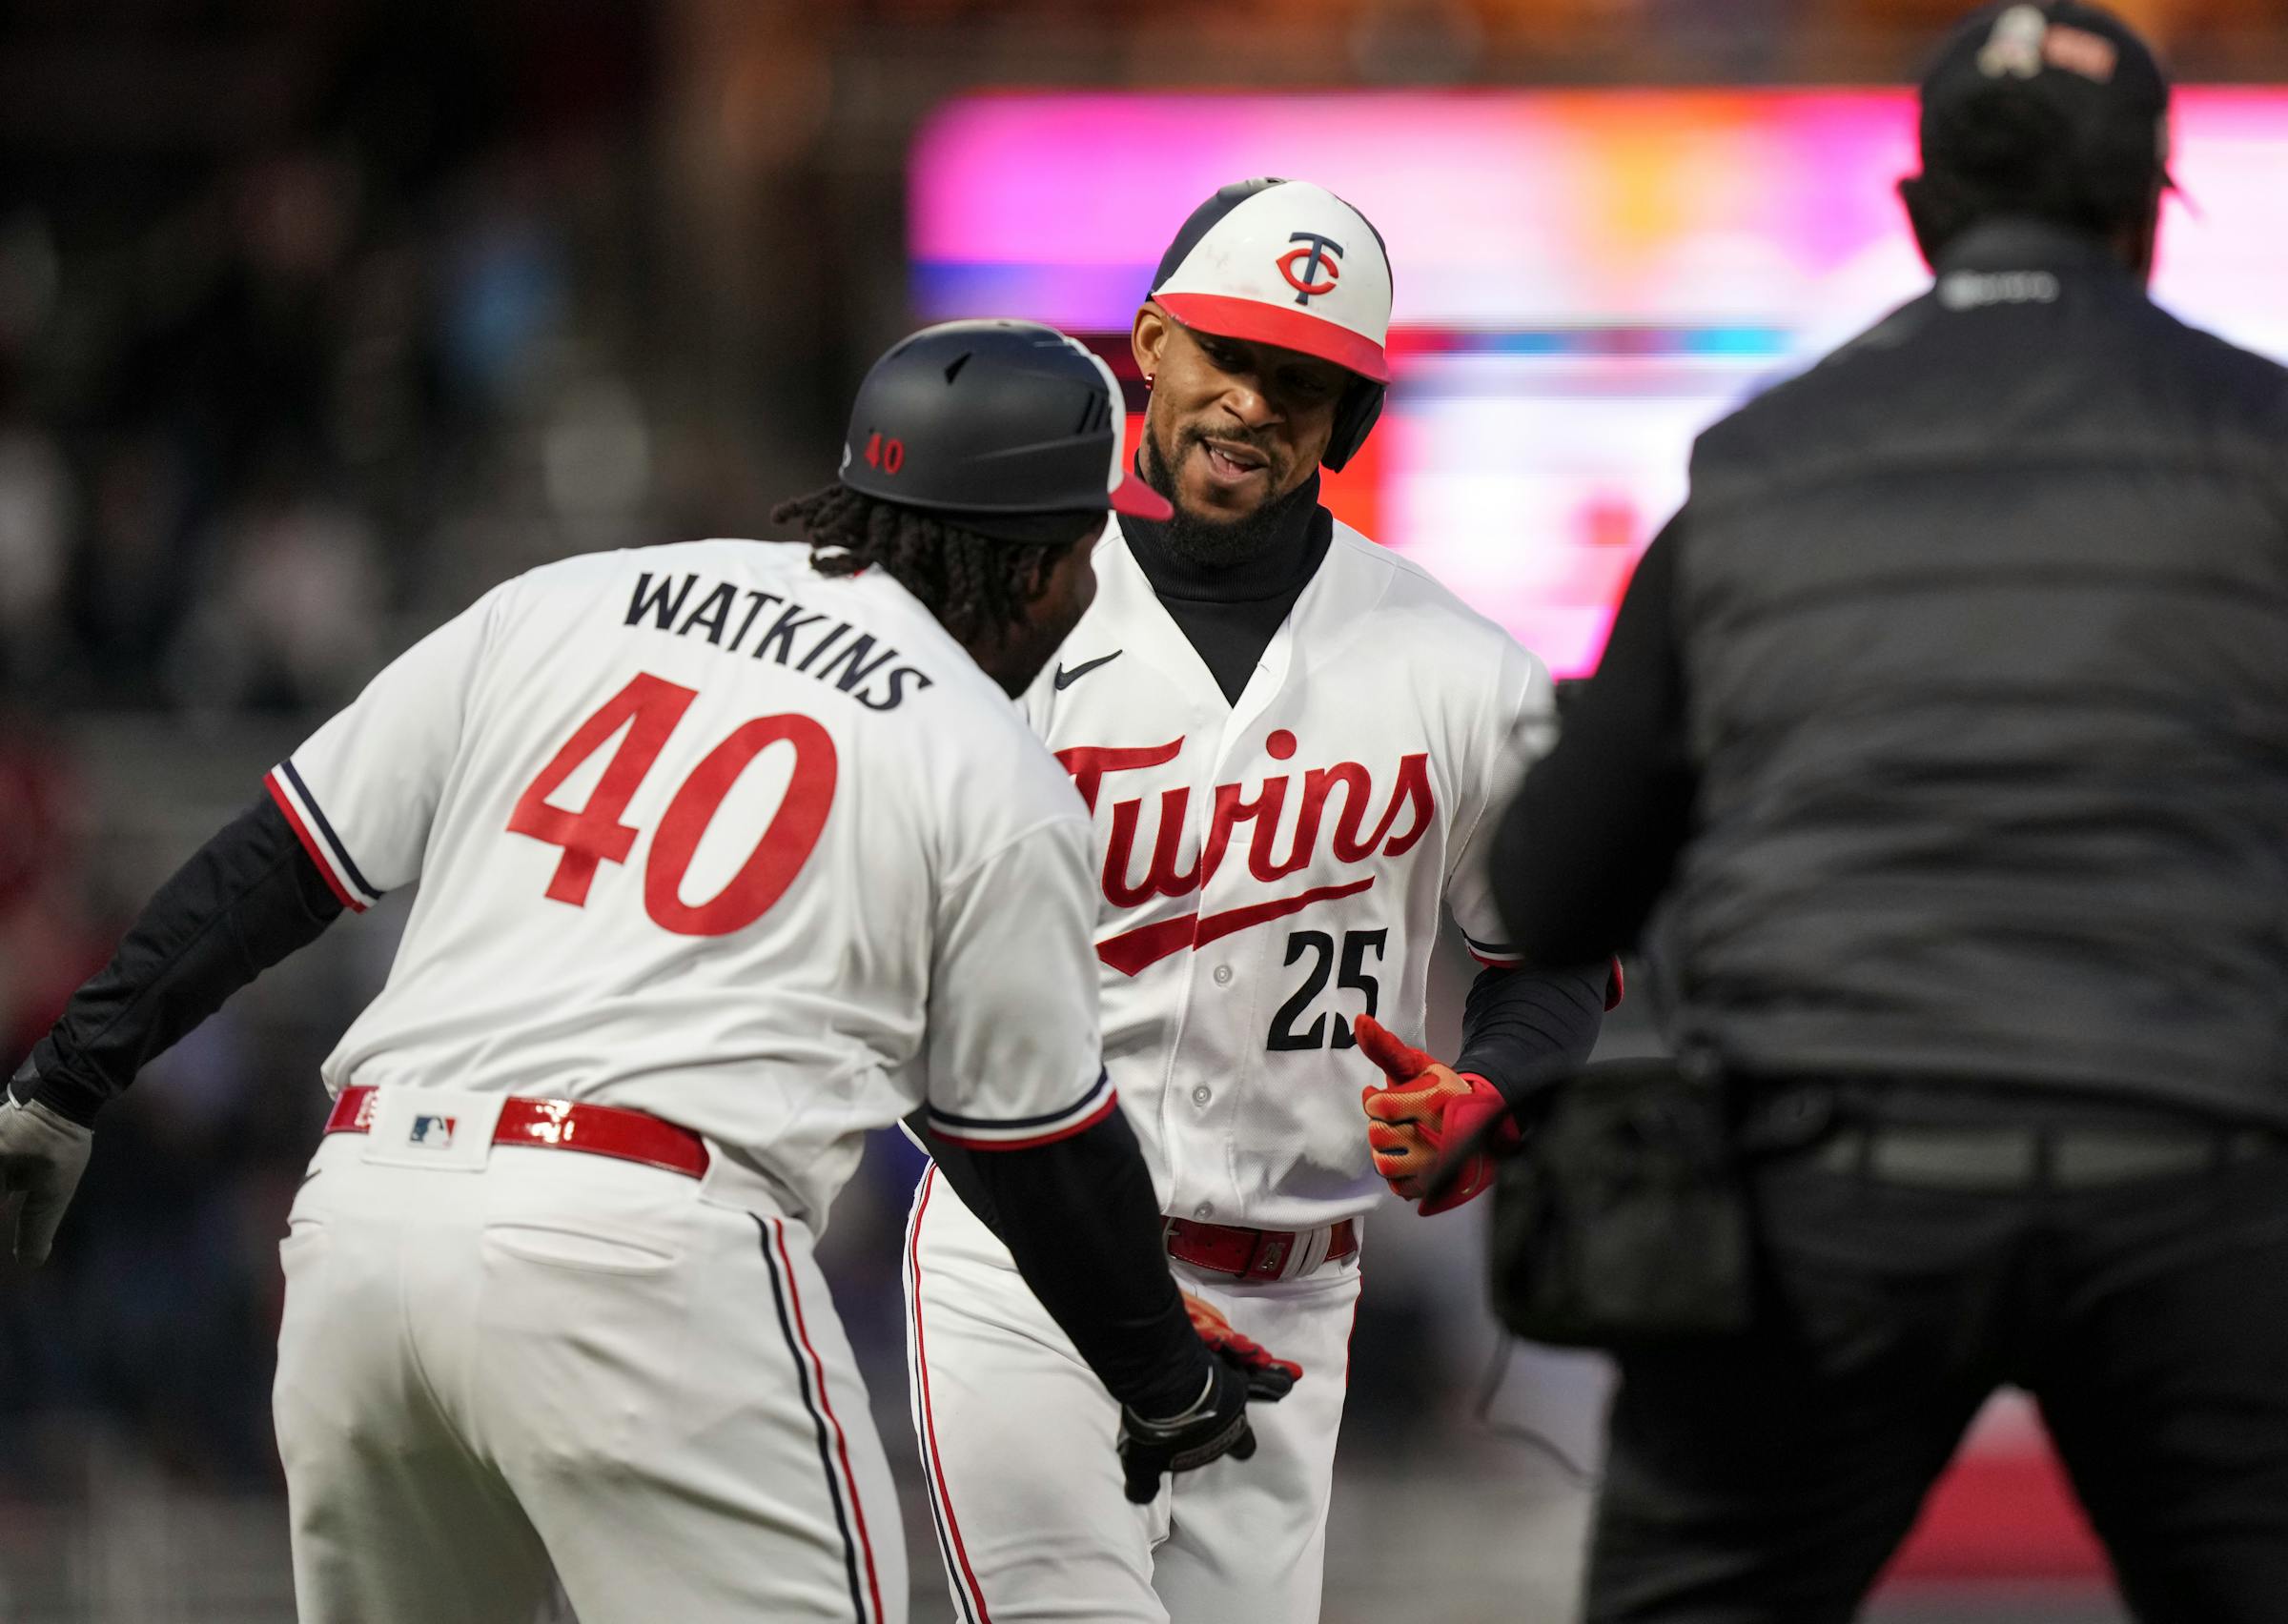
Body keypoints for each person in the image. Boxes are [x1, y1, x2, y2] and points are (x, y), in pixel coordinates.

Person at [0, 319, 1299, 1624]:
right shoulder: (988, 763)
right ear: (1041, 565)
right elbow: (1038, 1152)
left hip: (363, 1232)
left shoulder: (568, 598)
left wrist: (67, 1078)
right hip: (644, 1259)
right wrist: (1167, 1381)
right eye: (1086, 555)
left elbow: (279, 859)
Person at [1486, 6, 2288, 1620]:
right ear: (2151, 207)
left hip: (1827, 1189)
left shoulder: (1754, 469)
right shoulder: (2271, 447)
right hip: (2206, 1177)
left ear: (1922, 214)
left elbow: (1551, 890)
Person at [902, 178, 1615, 1624]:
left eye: (1302, 384)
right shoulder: (1012, 611)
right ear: (1151, 345)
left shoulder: (1458, 667)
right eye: (1227, 357)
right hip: (1027, 1259)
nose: (1252, 406)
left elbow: (1556, 954)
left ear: (1348, 419)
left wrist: (1498, 1083)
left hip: (1296, 1288)